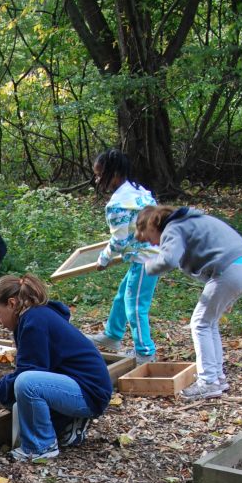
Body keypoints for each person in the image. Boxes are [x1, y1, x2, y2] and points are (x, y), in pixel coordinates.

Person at [0, 274, 112, 462]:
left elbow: (29, 373)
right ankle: (69, 424)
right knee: (14, 395)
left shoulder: (34, 321)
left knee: (26, 383)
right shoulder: (36, 316)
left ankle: (40, 447)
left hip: (89, 392)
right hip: (84, 387)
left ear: (11, 303)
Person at [135, 204, 242, 399]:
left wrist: (148, 265)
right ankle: (217, 377)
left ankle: (208, 382)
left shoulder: (174, 227)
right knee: (208, 323)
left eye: (144, 233)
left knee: (200, 323)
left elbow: (169, 260)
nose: (145, 239)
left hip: (231, 269)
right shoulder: (190, 221)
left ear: (152, 224)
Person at [88, 149, 158, 364]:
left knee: (135, 305)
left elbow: (119, 241)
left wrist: (104, 258)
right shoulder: (139, 191)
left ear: (115, 173)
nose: (98, 180)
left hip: (145, 259)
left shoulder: (117, 204)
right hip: (152, 253)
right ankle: (113, 334)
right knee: (123, 295)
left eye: (100, 175)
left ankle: (145, 353)